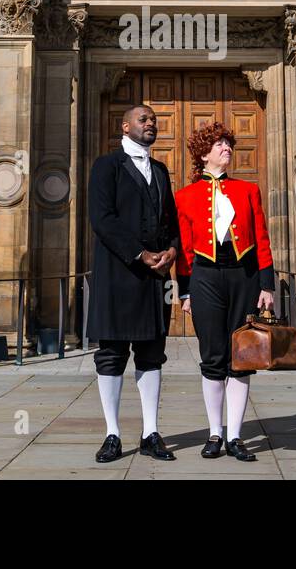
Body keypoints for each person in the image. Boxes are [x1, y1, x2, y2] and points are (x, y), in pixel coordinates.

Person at [174, 122, 275, 461]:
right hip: (204, 279)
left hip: (243, 277)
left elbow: (261, 238)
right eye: (219, 144)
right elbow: (185, 249)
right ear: (204, 153)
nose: (227, 149)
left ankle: (235, 436)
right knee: (213, 357)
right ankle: (214, 433)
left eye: (228, 144)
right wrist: (185, 293)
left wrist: (266, 285)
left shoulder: (248, 190)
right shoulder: (185, 196)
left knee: (242, 357)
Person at [87, 104, 180, 463]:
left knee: (152, 355)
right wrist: (139, 254)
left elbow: (169, 219)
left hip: (155, 279)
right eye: (144, 119)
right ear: (125, 126)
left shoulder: (160, 170)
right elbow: (102, 218)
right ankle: (112, 433)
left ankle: (150, 433)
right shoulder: (106, 166)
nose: (151, 124)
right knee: (111, 355)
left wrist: (171, 250)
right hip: (117, 275)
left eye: (154, 120)